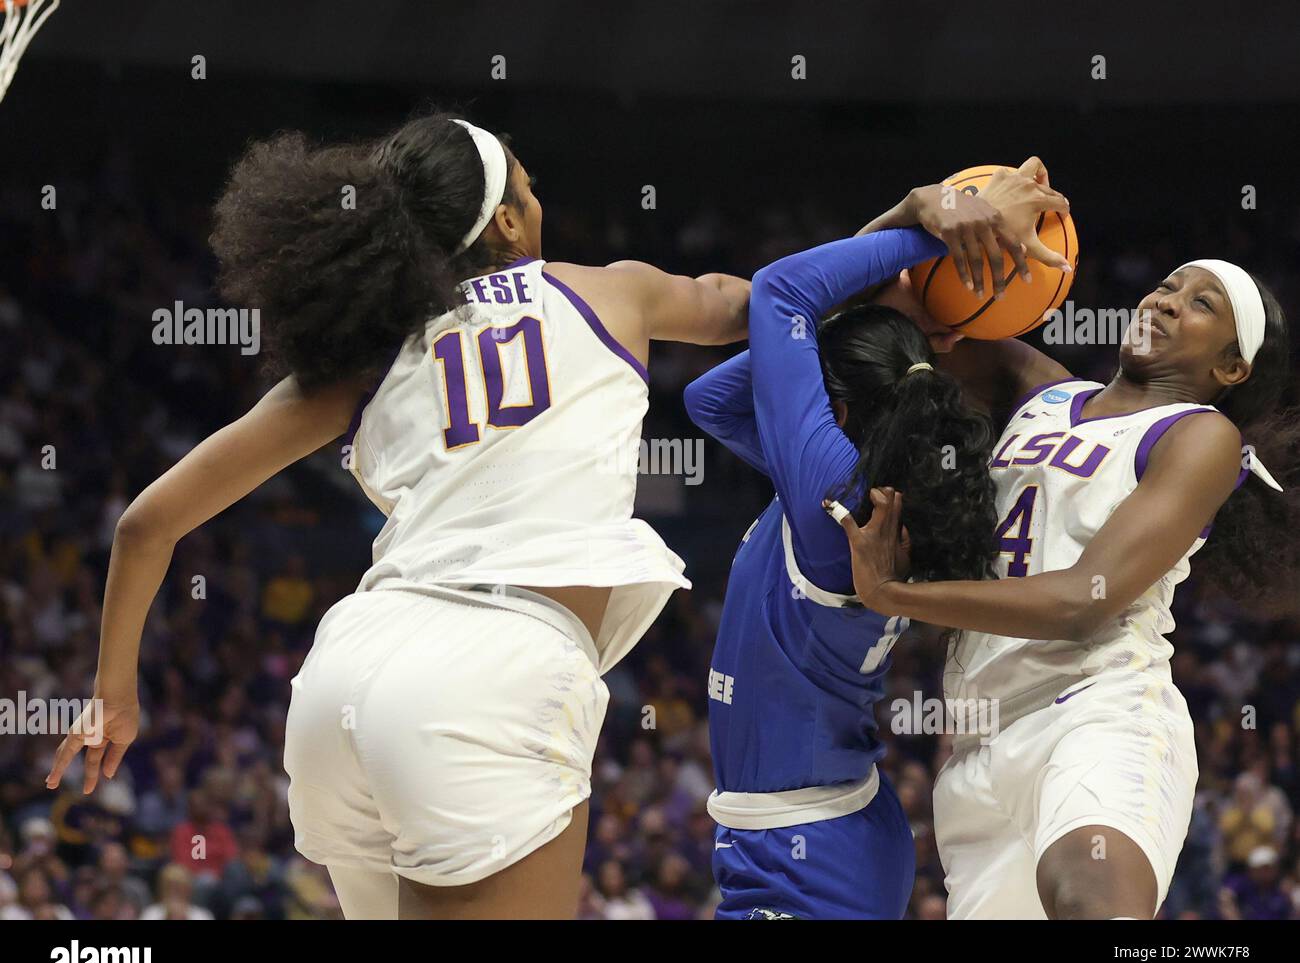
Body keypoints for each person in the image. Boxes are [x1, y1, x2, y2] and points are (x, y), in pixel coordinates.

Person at [46, 111, 750, 919]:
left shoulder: (366, 355)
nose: (539, 199)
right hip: (487, 674)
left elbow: (145, 522)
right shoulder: (609, 290)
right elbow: (747, 305)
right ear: (508, 221)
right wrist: (899, 239)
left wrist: (114, 695)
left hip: (347, 677)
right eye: (530, 186)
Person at [834, 237, 1300, 918]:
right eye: (1168, 284)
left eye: (1202, 304)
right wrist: (934, 221)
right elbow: (876, 317)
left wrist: (895, 595)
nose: (1168, 301)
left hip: (1098, 710)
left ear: (1232, 366)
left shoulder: (1198, 435)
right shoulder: (1042, 392)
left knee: (1094, 903)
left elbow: (1083, 601)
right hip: (977, 743)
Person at [685, 160, 1070, 917]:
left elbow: (782, 293)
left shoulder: (834, 490)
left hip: (807, 848)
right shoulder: (853, 486)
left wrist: (921, 224)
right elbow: (714, 401)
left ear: (833, 404)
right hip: (822, 830)